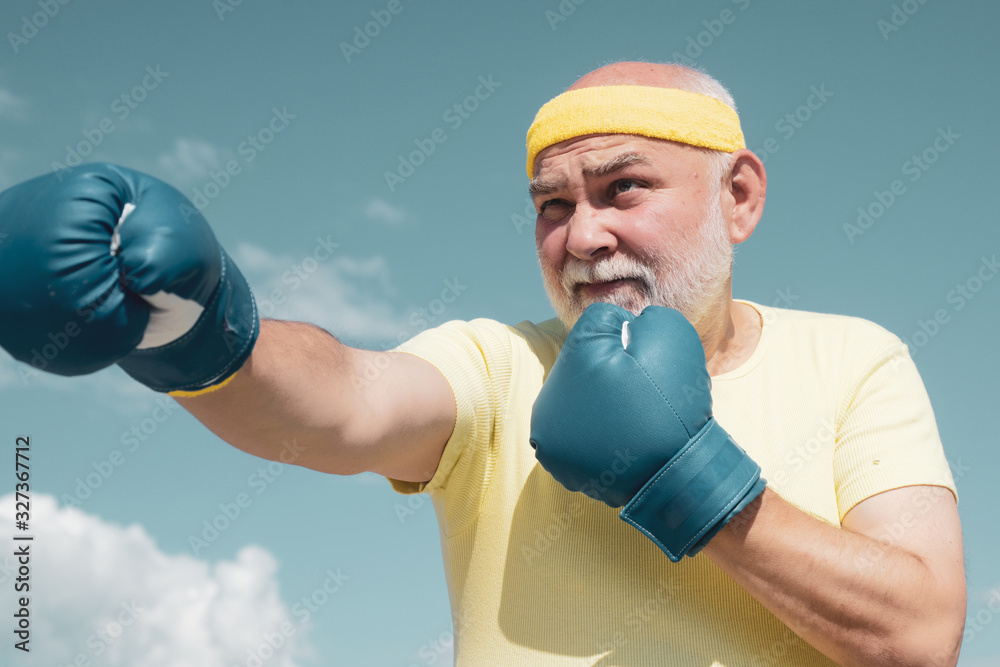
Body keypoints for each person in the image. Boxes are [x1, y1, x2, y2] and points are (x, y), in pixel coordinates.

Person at [0, 61, 965, 665]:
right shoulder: (501, 362)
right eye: (553, 204)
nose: (582, 235)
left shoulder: (857, 358)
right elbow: (340, 404)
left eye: (624, 187)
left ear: (739, 196)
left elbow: (920, 635)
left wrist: (687, 477)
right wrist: (194, 329)